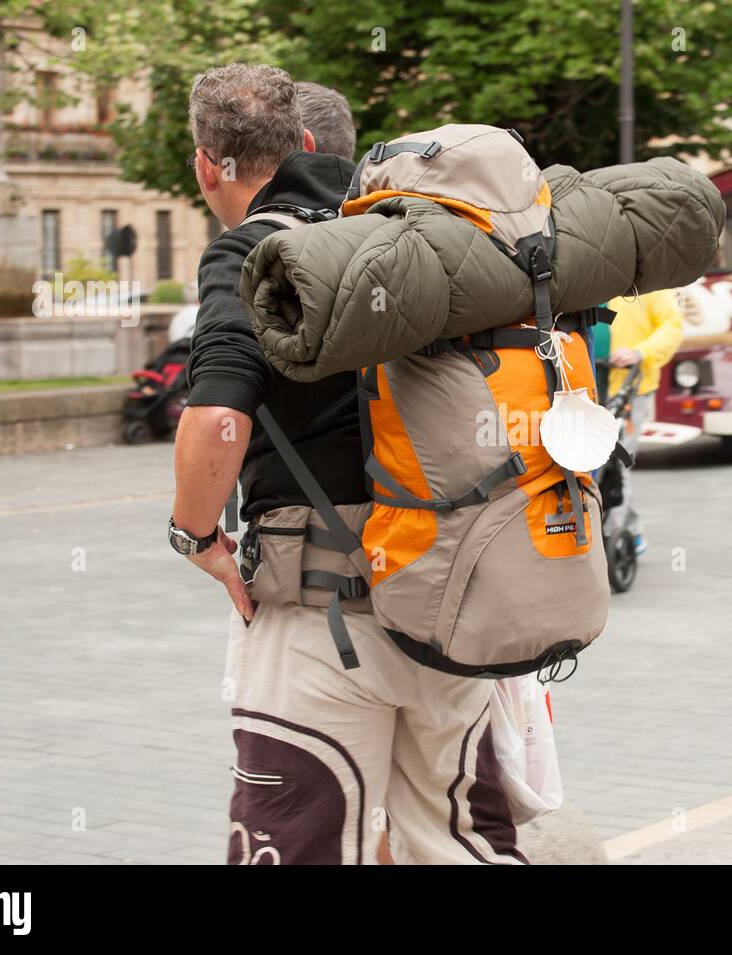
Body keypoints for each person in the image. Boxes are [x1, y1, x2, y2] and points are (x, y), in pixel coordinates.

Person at [171, 63, 523, 865]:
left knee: (296, 844)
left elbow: (218, 415)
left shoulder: (250, 252)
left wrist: (196, 537)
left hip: (318, 617)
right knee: (465, 844)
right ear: (306, 143)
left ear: (204, 164)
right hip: (451, 601)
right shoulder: (413, 236)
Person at [604, 288, 684, 553]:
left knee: (617, 461)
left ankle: (613, 534)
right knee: (591, 464)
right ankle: (633, 529)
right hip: (588, 384)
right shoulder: (592, 280)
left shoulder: (649, 287)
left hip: (628, 388)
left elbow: (672, 326)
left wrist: (640, 352)